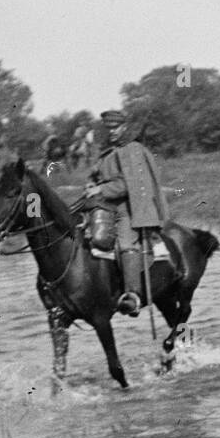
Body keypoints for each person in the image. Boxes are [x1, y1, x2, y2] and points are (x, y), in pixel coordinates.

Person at [82, 109, 170, 317]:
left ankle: (133, 295)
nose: (112, 131)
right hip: (105, 206)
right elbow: (96, 175)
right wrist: (91, 184)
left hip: (127, 209)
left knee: (126, 244)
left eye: (115, 127)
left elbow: (125, 185)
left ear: (124, 127)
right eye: (109, 128)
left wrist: (100, 189)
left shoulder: (132, 150)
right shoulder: (109, 152)